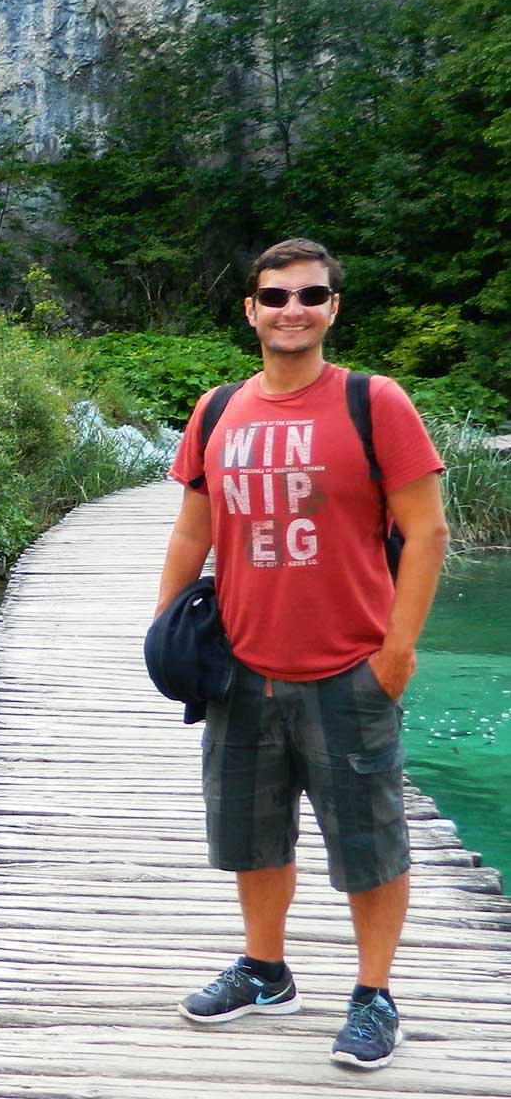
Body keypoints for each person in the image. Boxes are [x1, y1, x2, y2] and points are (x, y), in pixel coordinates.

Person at [154, 238, 448, 1070]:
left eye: (311, 296)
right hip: (241, 668)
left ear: (332, 309)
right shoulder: (217, 410)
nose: (294, 310)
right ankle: (265, 970)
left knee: (370, 843)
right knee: (250, 835)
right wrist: (166, 630)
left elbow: (427, 531)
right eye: (277, 296)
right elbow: (192, 530)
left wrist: (396, 652)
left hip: (350, 669)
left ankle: (374, 994)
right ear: (251, 309)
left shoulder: (373, 402)